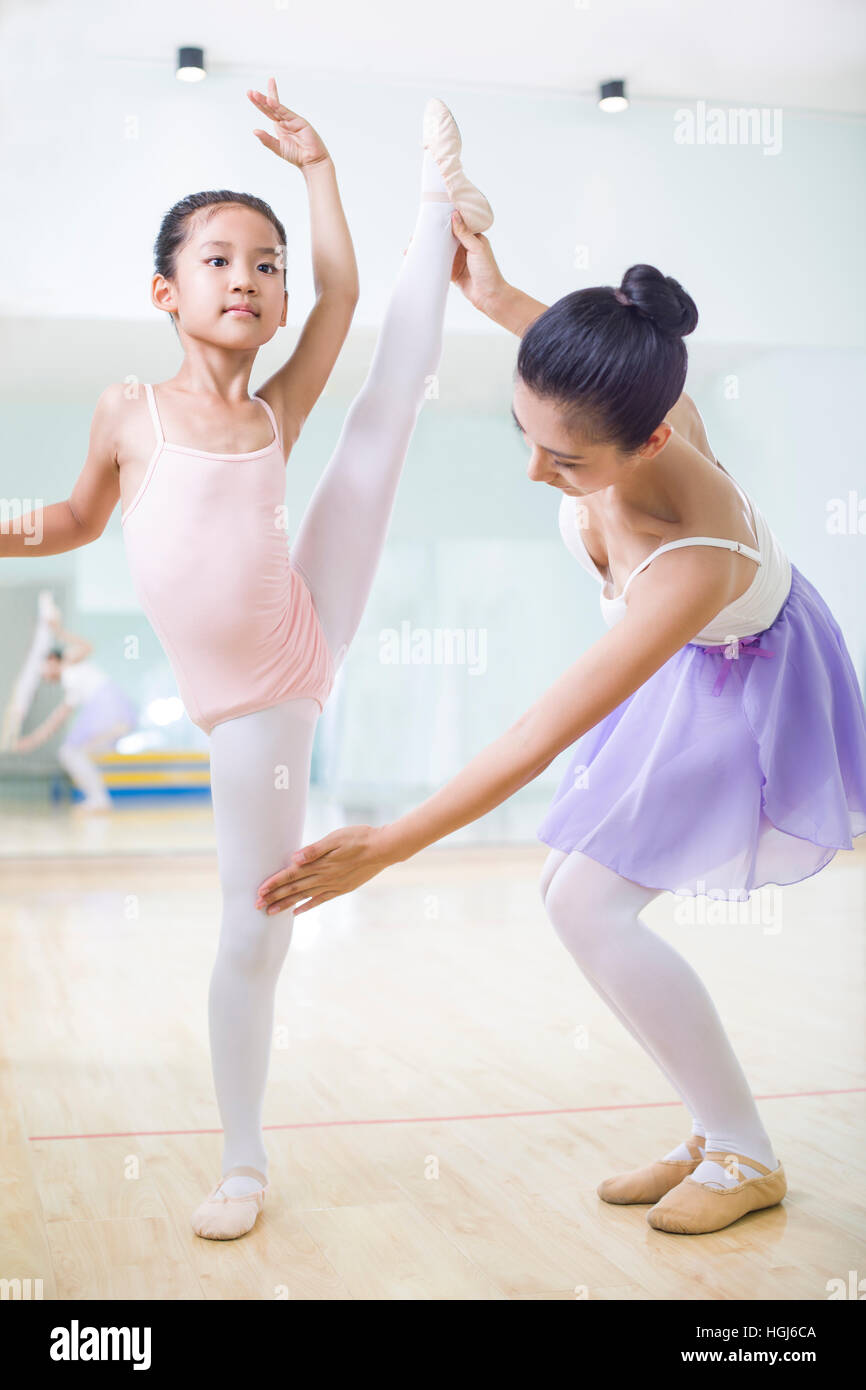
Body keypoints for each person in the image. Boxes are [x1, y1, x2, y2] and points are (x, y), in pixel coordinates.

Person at [254, 233, 866, 1236]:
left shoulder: (690, 564)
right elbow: (539, 330)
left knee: (588, 904)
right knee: (566, 893)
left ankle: (745, 1149)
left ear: (653, 439)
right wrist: (481, 276)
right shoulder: (624, 387)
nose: (536, 469)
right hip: (692, 665)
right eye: (523, 433)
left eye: (566, 458)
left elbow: (534, 735)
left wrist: (388, 843)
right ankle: (715, 1129)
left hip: (751, 679)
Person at [0, 78, 493, 1239]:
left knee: (383, 410)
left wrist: (320, 165)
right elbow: (73, 521)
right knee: (252, 918)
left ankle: (440, 204)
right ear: (166, 292)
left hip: (290, 642)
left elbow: (346, 295)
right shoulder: (131, 411)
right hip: (253, 700)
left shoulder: (275, 411)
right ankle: (244, 1157)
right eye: (219, 259)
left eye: (265, 263)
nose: (247, 277)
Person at [10, 618, 137, 813]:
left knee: (70, 752)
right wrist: (31, 741)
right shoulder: (71, 681)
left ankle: (99, 800)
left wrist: (59, 631)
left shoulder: (69, 664)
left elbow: (87, 646)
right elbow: (58, 718)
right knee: (73, 753)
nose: (42, 676)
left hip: (106, 708)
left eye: (42, 669)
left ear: (52, 661)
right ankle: (99, 800)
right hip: (109, 708)